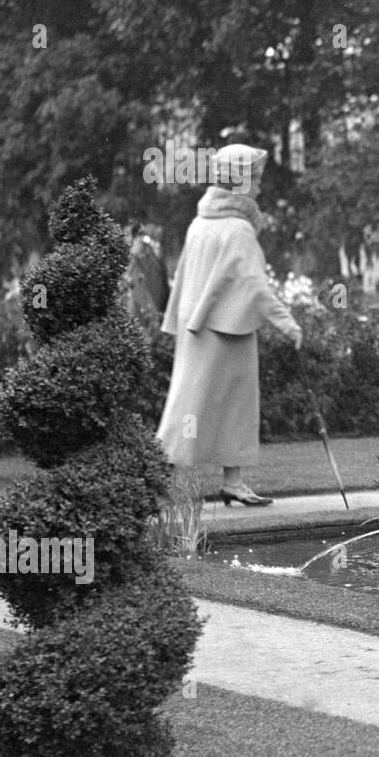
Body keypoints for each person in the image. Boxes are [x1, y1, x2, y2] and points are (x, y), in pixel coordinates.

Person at [157, 144, 302, 506]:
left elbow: (183, 275)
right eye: (254, 177)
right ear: (238, 181)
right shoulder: (238, 228)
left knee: (190, 403)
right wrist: (288, 325)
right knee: (227, 405)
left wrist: (179, 321)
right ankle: (211, 482)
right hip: (226, 330)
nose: (258, 186)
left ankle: (215, 483)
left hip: (199, 329)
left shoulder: (199, 223)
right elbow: (255, 284)